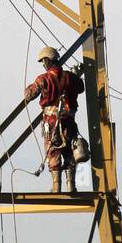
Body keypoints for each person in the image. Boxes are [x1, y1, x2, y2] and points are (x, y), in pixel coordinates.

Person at [24, 47, 85, 194]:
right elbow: (81, 87)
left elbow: (29, 95)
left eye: (43, 62)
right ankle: (71, 186)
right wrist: (75, 76)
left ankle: (56, 187)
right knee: (70, 151)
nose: (43, 65)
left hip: (51, 122)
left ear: (46, 60)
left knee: (53, 151)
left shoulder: (43, 79)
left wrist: (28, 88)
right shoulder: (70, 77)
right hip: (69, 121)